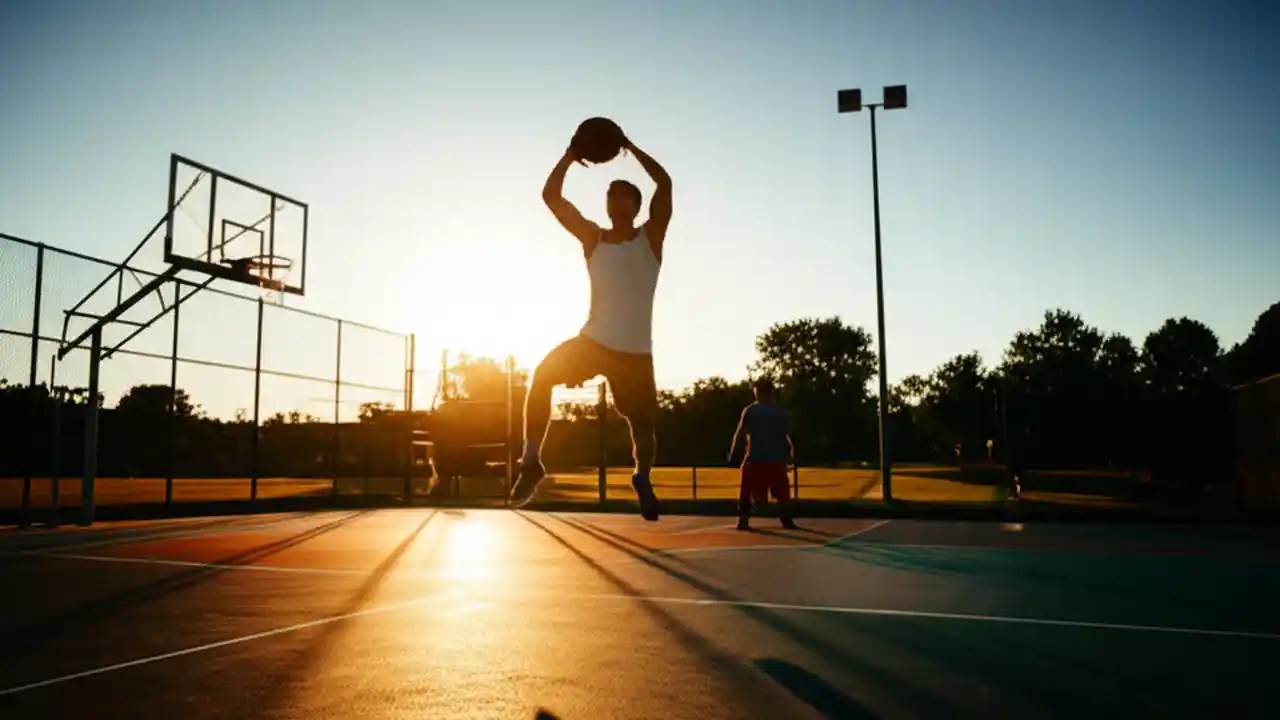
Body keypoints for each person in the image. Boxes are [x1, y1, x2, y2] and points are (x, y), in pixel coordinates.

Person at [508, 128, 672, 521]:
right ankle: (532, 461)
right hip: (593, 342)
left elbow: (664, 182)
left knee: (644, 428)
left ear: (635, 204)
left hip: (635, 352)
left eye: (623, 194)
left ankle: (642, 478)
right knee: (542, 375)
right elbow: (551, 198)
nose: (615, 199)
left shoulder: (650, 238)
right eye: (610, 195)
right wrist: (569, 155)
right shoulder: (593, 239)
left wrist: (630, 148)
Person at [727, 377, 796, 530]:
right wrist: (791, 453)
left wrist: (733, 452)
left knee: (747, 490)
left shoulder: (751, 410)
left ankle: (743, 520)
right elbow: (787, 436)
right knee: (782, 492)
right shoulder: (780, 412)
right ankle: (786, 520)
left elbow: (739, 433)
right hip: (775, 458)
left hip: (756, 458)